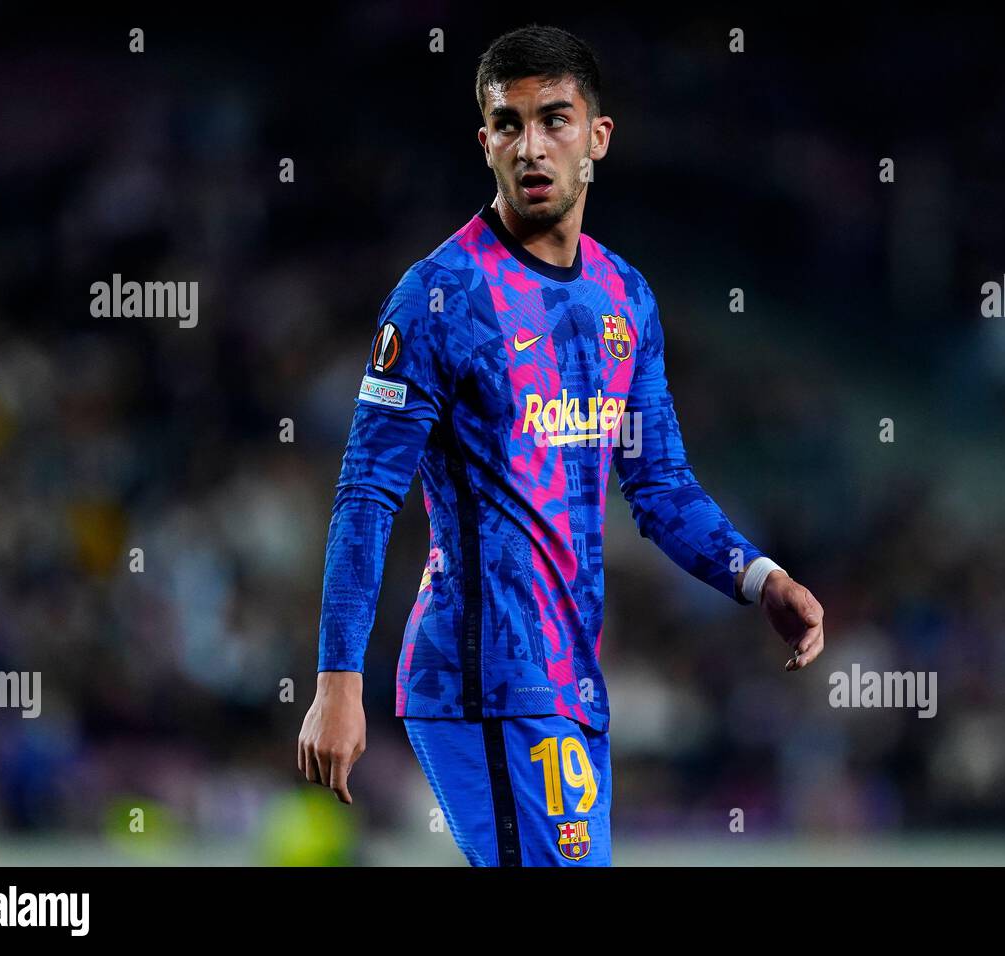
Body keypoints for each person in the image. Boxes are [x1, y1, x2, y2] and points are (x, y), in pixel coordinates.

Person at [298, 24, 825, 866]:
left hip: (574, 684)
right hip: (482, 680)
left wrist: (759, 578)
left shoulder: (625, 297)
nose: (532, 146)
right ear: (485, 143)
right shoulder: (439, 296)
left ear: (598, 137)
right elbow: (366, 493)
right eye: (509, 124)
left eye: (555, 119)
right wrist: (337, 680)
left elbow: (660, 485)